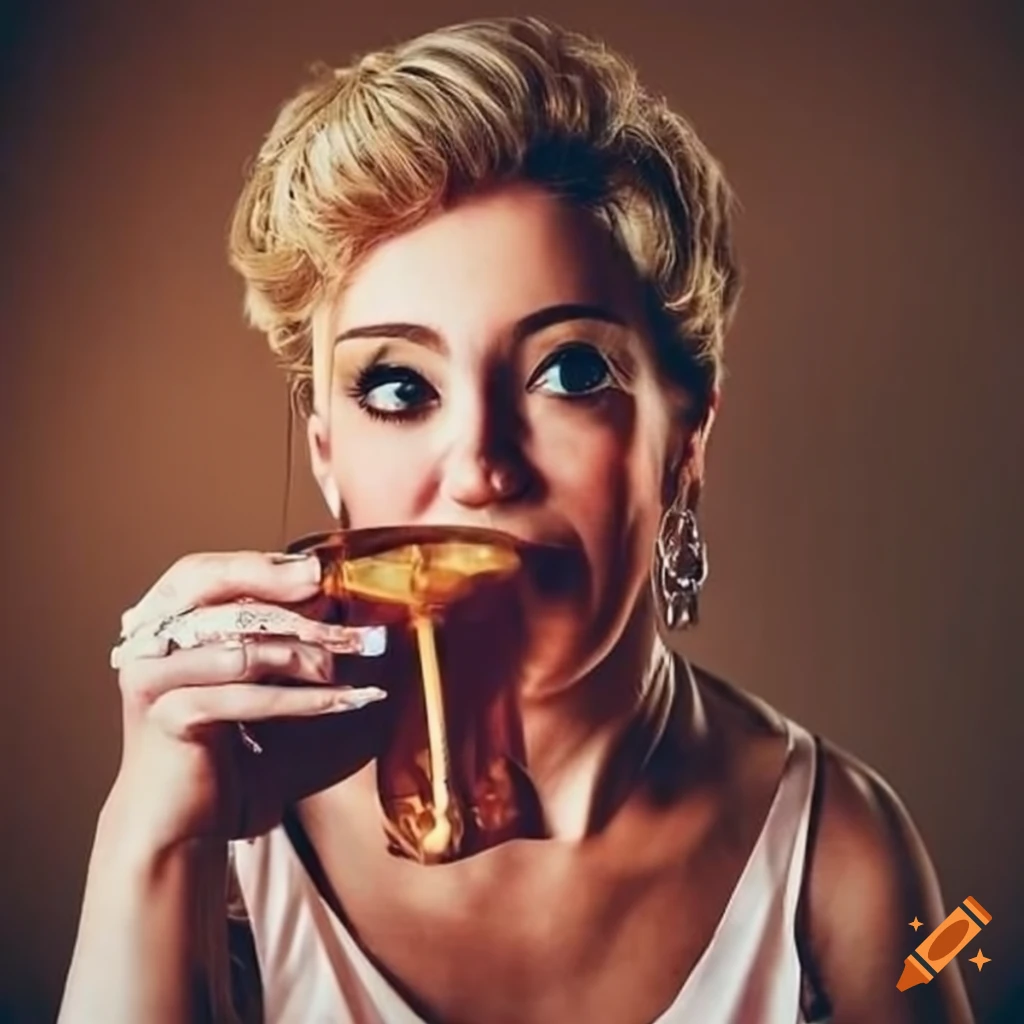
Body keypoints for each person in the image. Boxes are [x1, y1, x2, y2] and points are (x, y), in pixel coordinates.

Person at [58, 16, 975, 1024]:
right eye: (400, 387)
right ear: (327, 453)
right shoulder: (229, 842)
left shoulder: (842, 857)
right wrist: (149, 842)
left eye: (570, 371)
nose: (480, 468)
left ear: (684, 442)